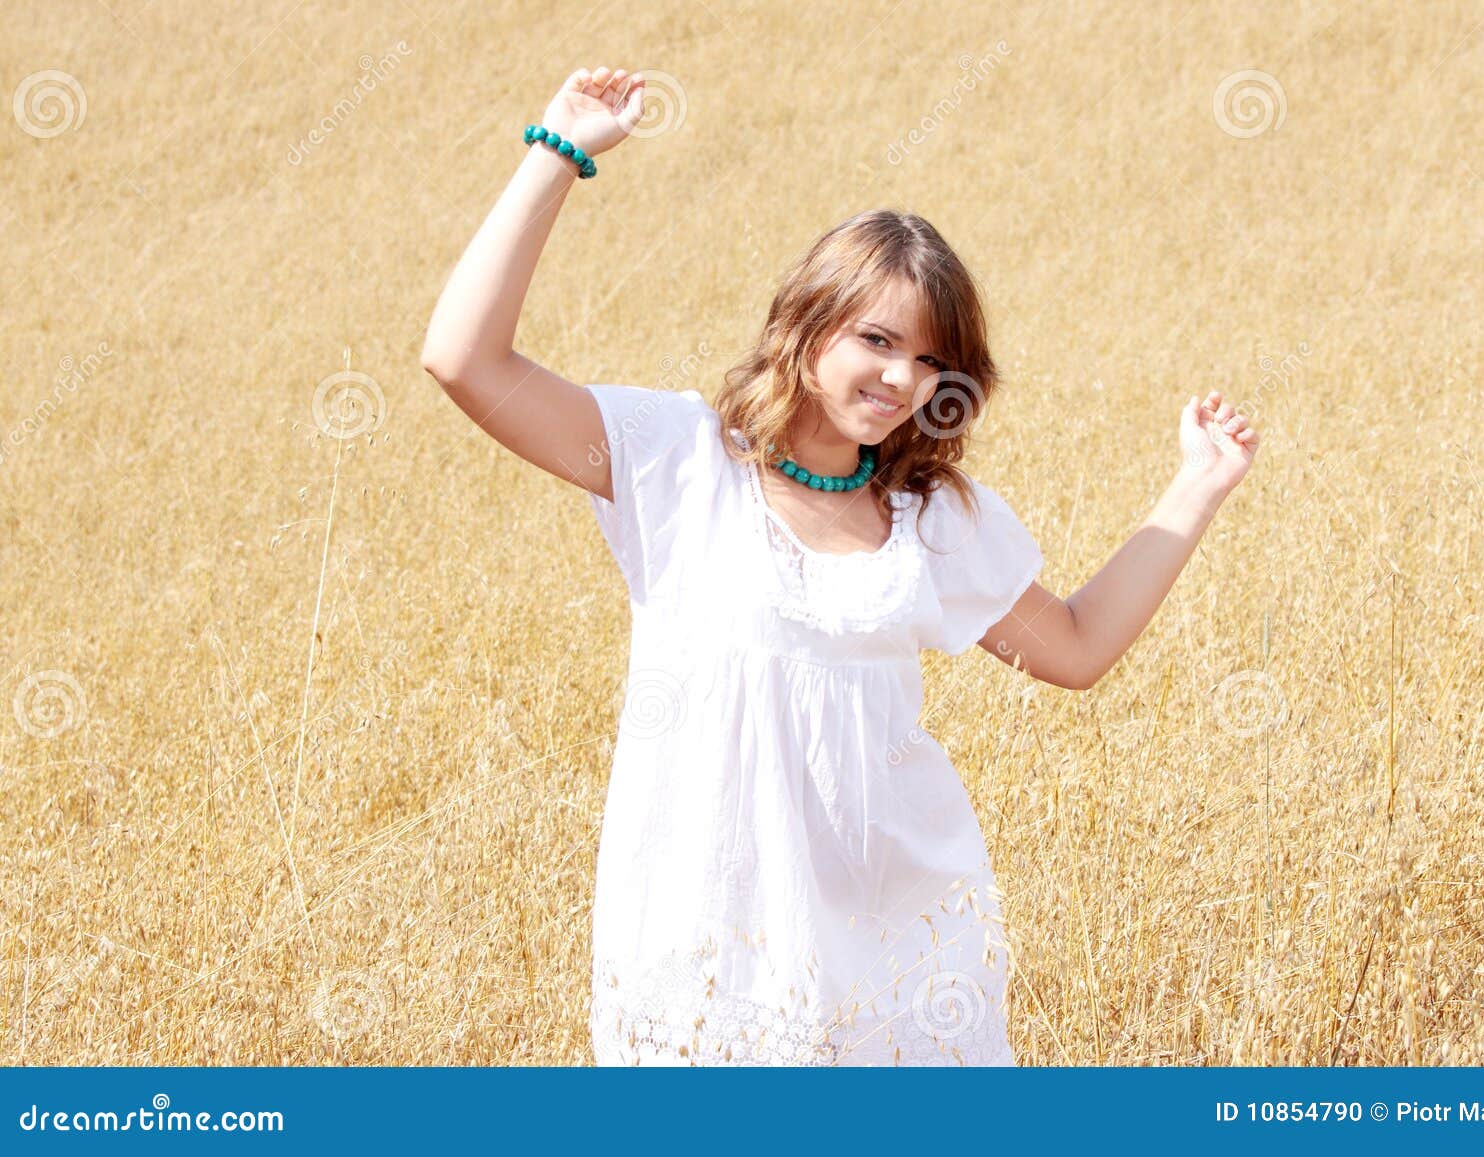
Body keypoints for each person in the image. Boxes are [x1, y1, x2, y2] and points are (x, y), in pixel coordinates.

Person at [421, 66, 1260, 1066]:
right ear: (807, 324)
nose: (905, 378)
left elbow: (1074, 646)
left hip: (897, 973)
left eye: (933, 360)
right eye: (876, 338)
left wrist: (1197, 485)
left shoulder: (926, 520)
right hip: (705, 970)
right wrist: (555, 151)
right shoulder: (675, 460)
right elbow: (464, 361)